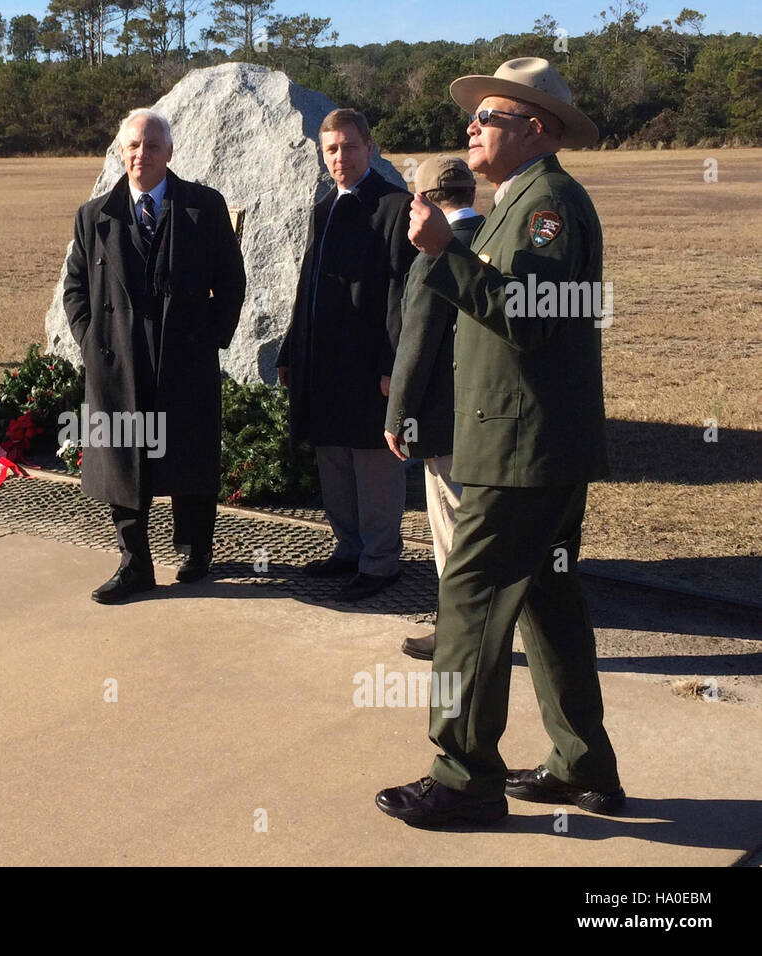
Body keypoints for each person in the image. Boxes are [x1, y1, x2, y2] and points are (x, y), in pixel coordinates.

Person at [376, 57, 622, 828]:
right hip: (533, 447)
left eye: (489, 117)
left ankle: (462, 779)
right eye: (476, 118)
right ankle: (582, 765)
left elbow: (530, 316)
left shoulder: (548, 203)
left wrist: (442, 253)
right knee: (547, 606)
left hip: (518, 451)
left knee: (471, 607)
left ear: (535, 127)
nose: (471, 129)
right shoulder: (525, 200)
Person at [63, 108, 246, 604]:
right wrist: (91, 341)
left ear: (169, 151)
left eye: (151, 145)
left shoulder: (204, 207)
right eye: (133, 146)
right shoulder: (93, 215)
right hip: (118, 362)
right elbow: (75, 287)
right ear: (122, 152)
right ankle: (134, 564)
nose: (141, 154)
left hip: (184, 359)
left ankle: (196, 549)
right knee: (124, 461)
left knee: (188, 452)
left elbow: (231, 280)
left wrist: (209, 336)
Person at [277, 109, 416, 603]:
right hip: (322, 363)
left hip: (367, 366)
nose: (340, 157)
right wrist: (293, 348)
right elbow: (307, 286)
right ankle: (348, 548)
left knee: (373, 462)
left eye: (349, 147)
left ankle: (380, 561)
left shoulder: (395, 207)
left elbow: (404, 295)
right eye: (331, 149)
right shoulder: (323, 207)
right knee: (333, 457)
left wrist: (389, 366)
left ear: (370, 148)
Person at [383, 157, 484, 660]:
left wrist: (397, 417)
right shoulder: (490, 241)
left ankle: (456, 635)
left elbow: (415, 345)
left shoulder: (433, 256)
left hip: (443, 423)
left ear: (420, 201)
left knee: (450, 534)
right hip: (490, 420)